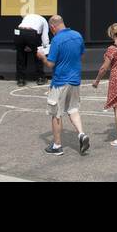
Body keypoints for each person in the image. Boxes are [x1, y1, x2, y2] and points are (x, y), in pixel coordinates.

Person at [38, 14, 89, 156]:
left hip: (60, 81)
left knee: (56, 114)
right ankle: (81, 134)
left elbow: (50, 64)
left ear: (53, 27)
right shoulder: (77, 35)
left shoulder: (57, 40)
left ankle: (57, 145)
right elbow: (81, 55)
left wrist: (42, 57)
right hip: (75, 80)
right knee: (73, 109)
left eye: (51, 29)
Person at [14, 11, 49, 87]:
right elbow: (45, 38)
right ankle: (40, 78)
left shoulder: (27, 17)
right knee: (38, 55)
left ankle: (20, 80)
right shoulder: (43, 20)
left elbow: (24, 33)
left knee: (20, 56)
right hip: (31, 34)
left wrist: (28, 45)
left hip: (18, 32)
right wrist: (44, 48)